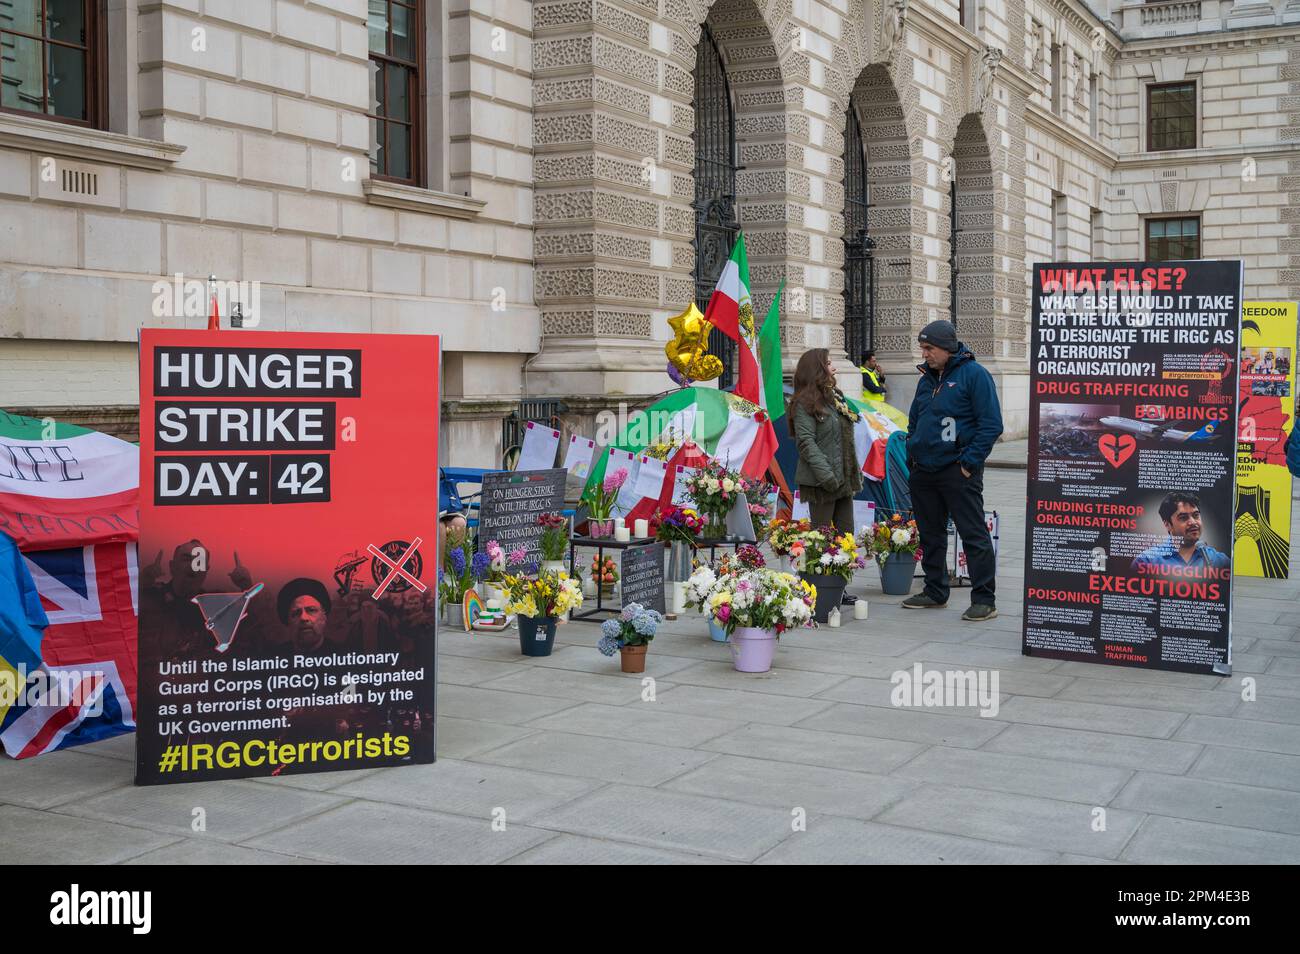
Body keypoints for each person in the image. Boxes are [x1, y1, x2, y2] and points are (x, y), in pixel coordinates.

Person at [902, 320, 1003, 620]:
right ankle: (935, 590)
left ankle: (984, 598)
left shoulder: (975, 376)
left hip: (957, 471)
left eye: (929, 348)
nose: (925, 354)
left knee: (973, 534)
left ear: (947, 347)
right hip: (924, 471)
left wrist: (969, 465)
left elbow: (991, 425)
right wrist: (912, 450)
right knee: (930, 535)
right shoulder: (926, 379)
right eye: (923, 348)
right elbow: (914, 421)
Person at [790, 348, 864, 606]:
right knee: (821, 538)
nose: (834, 366)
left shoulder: (834, 397)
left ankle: (838, 587)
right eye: (829, 363)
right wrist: (827, 475)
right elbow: (806, 444)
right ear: (818, 368)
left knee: (846, 535)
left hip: (843, 479)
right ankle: (816, 590)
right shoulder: (804, 403)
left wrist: (848, 474)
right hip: (823, 482)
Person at [1132, 492, 1229, 570]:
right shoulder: (1146, 561)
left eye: (1196, 515)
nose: (1193, 522)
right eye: (1183, 518)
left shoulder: (1218, 560)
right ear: (1167, 525)